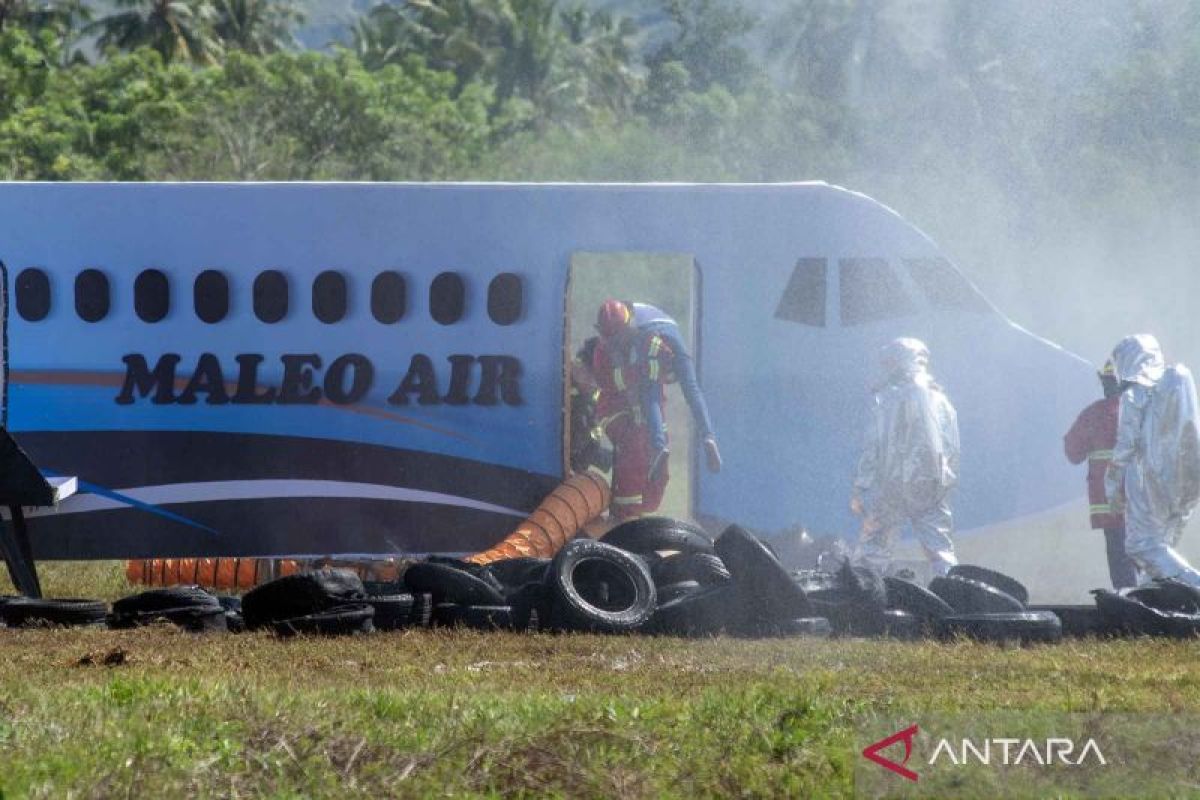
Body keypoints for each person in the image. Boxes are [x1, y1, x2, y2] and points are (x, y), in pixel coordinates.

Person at [592, 299, 721, 519]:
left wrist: (659, 369)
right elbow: (610, 382)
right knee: (636, 443)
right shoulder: (603, 352)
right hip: (614, 412)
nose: (616, 340)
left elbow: (657, 389)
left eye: (619, 335)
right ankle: (624, 516)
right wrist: (641, 371)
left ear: (627, 326)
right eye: (610, 337)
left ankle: (704, 437)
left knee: (658, 467)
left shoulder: (645, 344)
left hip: (644, 416)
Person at [850, 338, 960, 577]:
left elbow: (873, 447)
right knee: (941, 552)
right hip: (931, 490)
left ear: (897, 362)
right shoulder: (941, 400)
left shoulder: (885, 400)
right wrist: (944, 483)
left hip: (892, 490)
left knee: (871, 553)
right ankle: (953, 598)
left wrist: (861, 488)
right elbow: (952, 448)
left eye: (888, 362)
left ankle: (861, 604)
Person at [1104, 334, 1200, 587]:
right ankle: (1155, 596)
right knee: (1162, 548)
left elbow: (1126, 443)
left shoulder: (1135, 391)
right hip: (1187, 480)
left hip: (1151, 479)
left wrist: (1112, 486)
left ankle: (1195, 586)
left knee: (1142, 546)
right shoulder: (1178, 381)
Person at [1063, 360, 1139, 589]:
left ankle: (1128, 604)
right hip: (1140, 503)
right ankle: (1151, 605)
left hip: (1108, 505)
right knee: (1145, 556)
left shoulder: (1093, 414)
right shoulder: (1140, 412)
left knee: (1118, 557)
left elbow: (1073, 453)